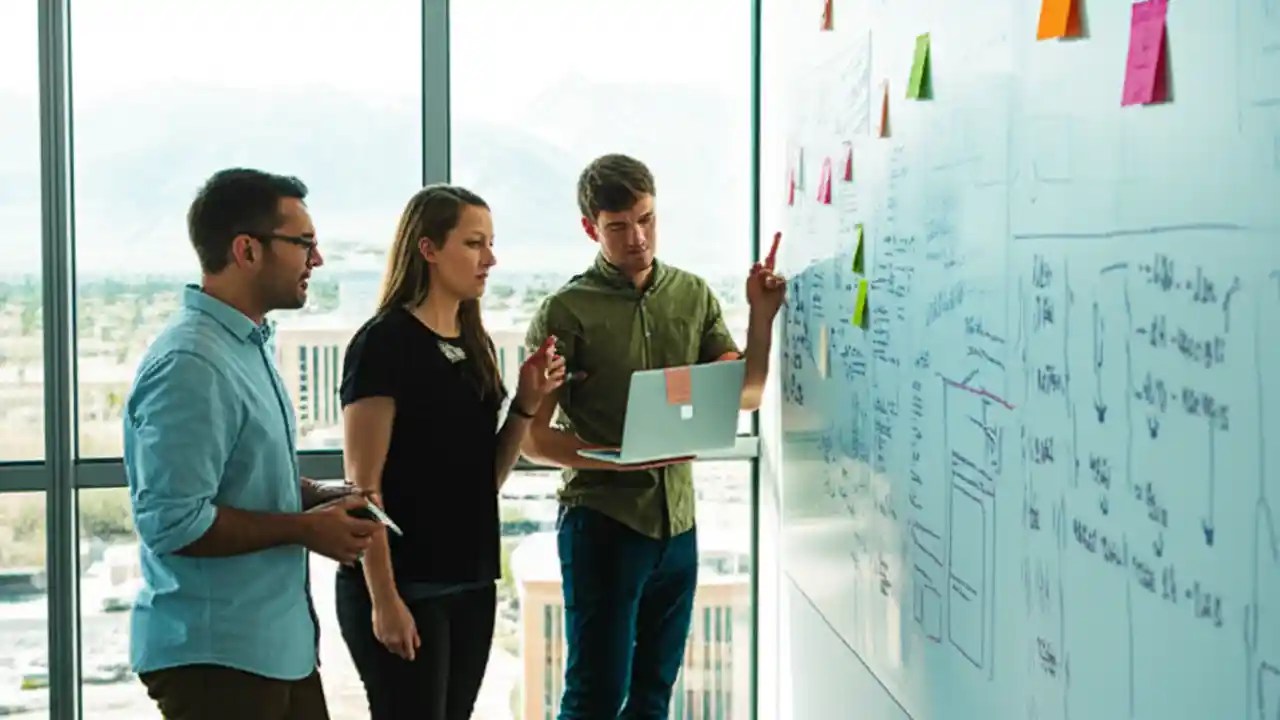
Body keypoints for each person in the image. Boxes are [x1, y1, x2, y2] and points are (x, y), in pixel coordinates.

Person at [522, 153, 786, 719]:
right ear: (591, 229)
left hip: (679, 527)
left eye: (646, 219)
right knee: (594, 697)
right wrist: (616, 460)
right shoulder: (565, 311)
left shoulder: (691, 296)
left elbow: (746, 393)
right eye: (619, 227)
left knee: (652, 700)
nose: (637, 237)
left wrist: (761, 316)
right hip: (604, 525)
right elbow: (533, 440)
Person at [123, 168, 386, 720]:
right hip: (217, 660)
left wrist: (318, 494)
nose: (317, 260)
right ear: (247, 250)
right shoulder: (191, 364)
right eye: (304, 244)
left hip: (274, 651)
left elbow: (245, 475)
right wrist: (303, 529)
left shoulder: (246, 344)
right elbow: (174, 521)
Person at [335, 184, 566, 720]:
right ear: (428, 249)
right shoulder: (383, 344)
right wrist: (385, 600)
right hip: (406, 586)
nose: (490, 259)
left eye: (490, 244)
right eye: (474, 243)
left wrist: (526, 404)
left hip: (470, 580)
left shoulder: (472, 342)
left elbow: (481, 480)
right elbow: (362, 487)